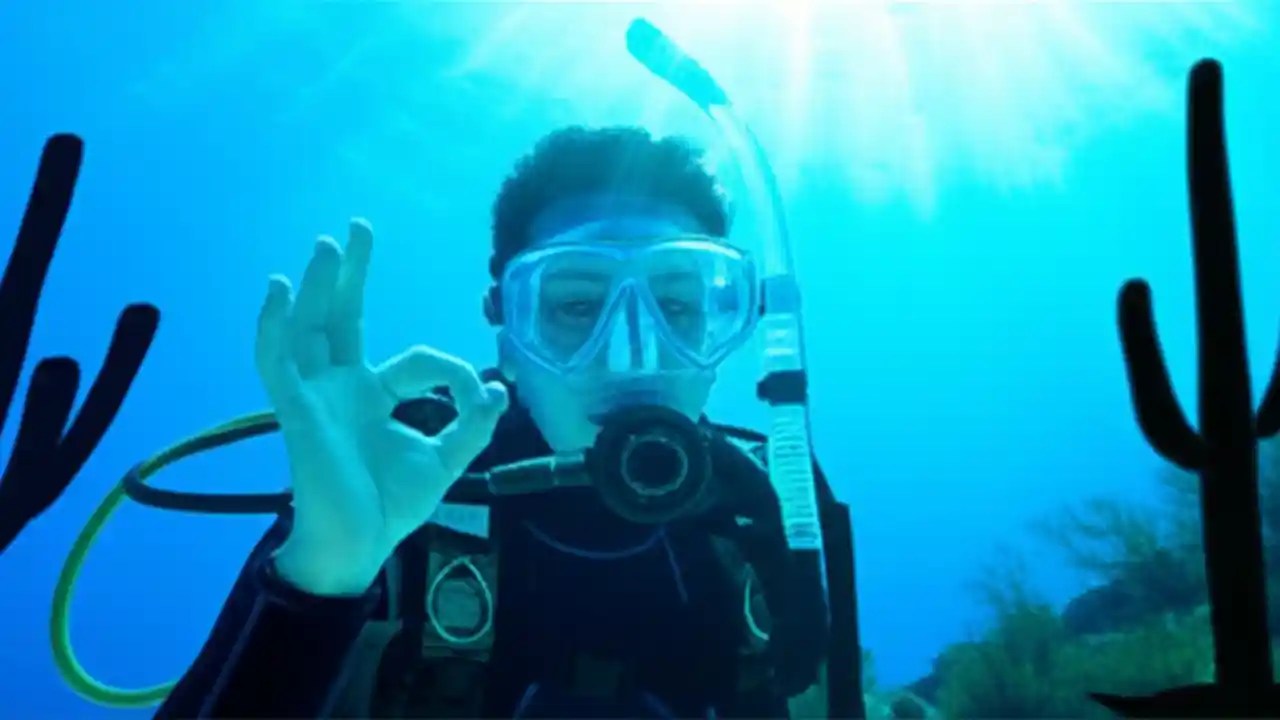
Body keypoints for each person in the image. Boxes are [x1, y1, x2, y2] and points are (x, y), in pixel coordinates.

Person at [154, 126, 847, 719]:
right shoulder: (395, 482)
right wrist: (321, 578)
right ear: (508, 336)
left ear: (729, 332)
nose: (631, 354)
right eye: (577, 307)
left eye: (679, 307)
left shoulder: (773, 520)